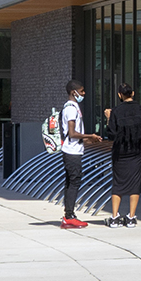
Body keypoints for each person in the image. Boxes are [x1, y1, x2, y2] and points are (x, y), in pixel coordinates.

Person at [97, 85, 141, 229]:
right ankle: (131, 217)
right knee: (135, 184)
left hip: (120, 152)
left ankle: (114, 216)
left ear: (120, 95)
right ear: (133, 93)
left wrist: (108, 118)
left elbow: (111, 134)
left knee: (118, 183)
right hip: (137, 151)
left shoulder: (116, 112)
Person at [52, 80, 90, 229]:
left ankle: (69, 214)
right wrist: (89, 136)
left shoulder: (73, 107)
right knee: (74, 182)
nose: (83, 93)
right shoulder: (71, 109)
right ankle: (69, 216)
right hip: (72, 151)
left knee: (70, 182)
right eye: (81, 91)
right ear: (74, 92)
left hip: (73, 150)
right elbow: (72, 133)